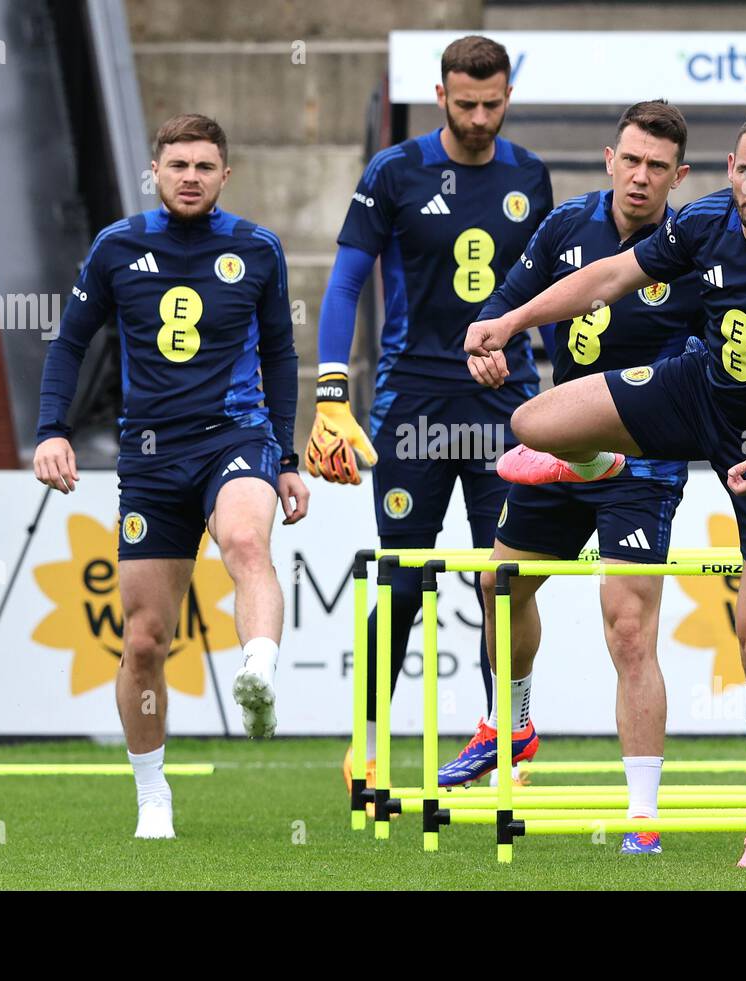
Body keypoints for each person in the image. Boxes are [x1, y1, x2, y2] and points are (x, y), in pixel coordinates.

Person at [464, 110, 746, 868]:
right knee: (534, 421)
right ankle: (594, 460)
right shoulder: (704, 221)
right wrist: (511, 320)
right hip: (699, 393)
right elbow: (610, 277)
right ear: (730, 165)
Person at [436, 101, 704, 857]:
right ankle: (511, 725)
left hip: (642, 457)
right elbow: (506, 304)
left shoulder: (692, 249)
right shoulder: (564, 227)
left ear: (678, 176)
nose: (642, 176)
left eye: (659, 166)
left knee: (627, 628)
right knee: (501, 586)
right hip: (561, 451)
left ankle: (643, 817)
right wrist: (489, 339)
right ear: (609, 158)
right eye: (632, 159)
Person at [33, 113, 308, 839]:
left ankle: (257, 667)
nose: (191, 176)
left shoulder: (256, 249)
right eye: (178, 164)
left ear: (226, 175)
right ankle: (153, 793)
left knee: (247, 543)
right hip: (151, 458)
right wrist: (51, 429)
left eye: (204, 166)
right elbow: (68, 342)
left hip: (235, 438)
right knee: (146, 640)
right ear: (155, 170)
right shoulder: (117, 246)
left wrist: (284, 456)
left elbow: (280, 356)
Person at [308, 35, 553, 798]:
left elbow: (547, 295)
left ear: (508, 95)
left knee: (501, 580)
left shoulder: (529, 176)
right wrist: (329, 392)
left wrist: (555, 389)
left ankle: (501, 732)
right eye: (466, 102)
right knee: (404, 582)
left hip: (503, 406)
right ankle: (369, 744)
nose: (481, 117)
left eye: (494, 103)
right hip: (411, 402)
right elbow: (346, 285)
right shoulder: (395, 171)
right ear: (439, 93)